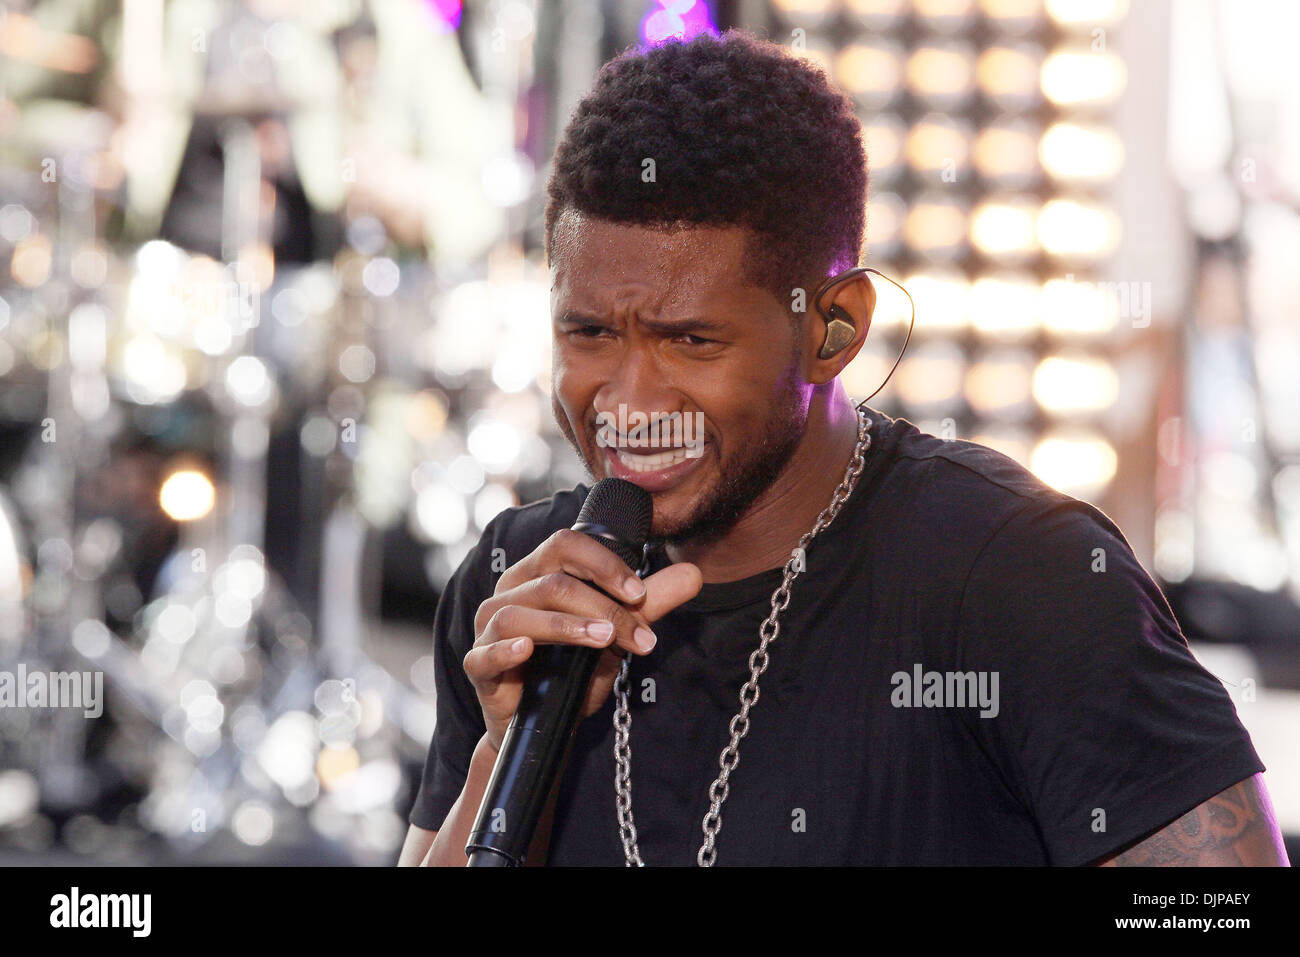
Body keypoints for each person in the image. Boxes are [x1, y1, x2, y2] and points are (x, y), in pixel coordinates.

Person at [398, 30, 1287, 866]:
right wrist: (503, 753)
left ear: (835, 329)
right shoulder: (514, 583)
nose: (629, 401)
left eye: (691, 342)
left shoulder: (1020, 577)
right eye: (588, 332)